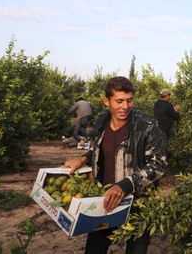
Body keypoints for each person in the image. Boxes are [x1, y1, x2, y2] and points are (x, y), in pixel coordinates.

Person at [64, 76, 167, 254]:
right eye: (119, 101)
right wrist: (83, 159)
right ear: (106, 101)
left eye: (129, 101)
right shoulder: (102, 122)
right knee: (94, 249)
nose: (125, 107)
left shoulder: (147, 126)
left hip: (138, 205)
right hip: (105, 202)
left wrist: (124, 186)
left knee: (136, 249)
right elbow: (101, 149)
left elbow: (158, 164)